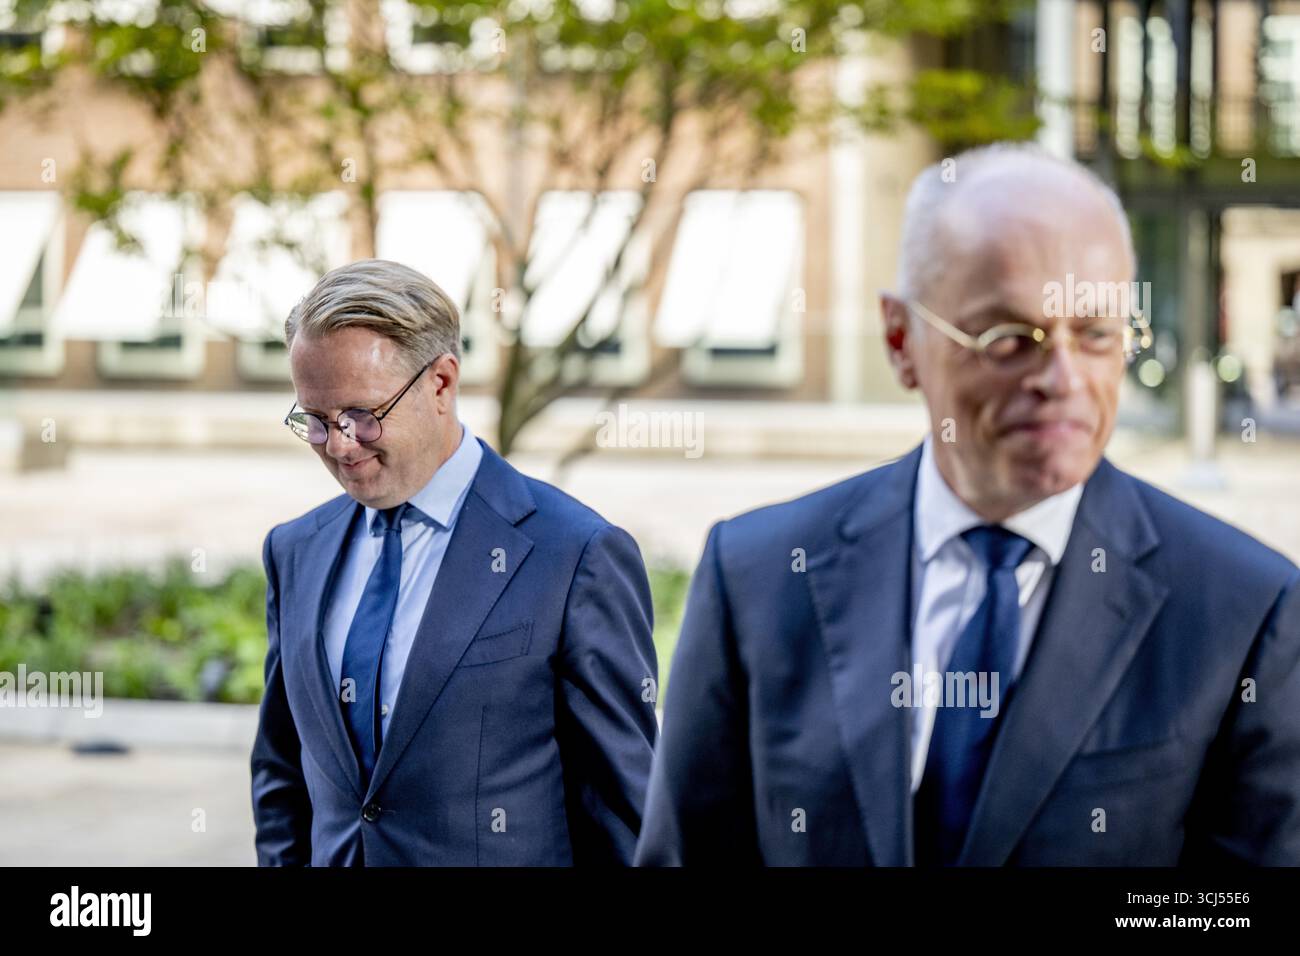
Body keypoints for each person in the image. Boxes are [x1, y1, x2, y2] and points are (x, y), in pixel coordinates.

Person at [635, 143, 1300, 866]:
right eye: (1011, 339)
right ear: (900, 339)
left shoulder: (1243, 608)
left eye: (1097, 333)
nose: (1062, 377)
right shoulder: (758, 579)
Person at [252, 259, 658, 865]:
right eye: (314, 420)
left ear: (441, 383)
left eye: (362, 416)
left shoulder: (576, 556)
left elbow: (626, 815)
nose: (338, 445)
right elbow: (282, 777)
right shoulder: (294, 550)